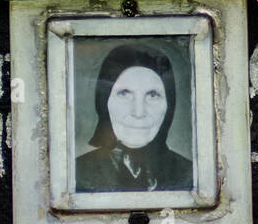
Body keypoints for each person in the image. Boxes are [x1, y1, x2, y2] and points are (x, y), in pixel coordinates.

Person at [75, 43, 194, 193]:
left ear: (169, 105)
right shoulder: (75, 174)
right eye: (124, 93)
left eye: (152, 95)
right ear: (104, 102)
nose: (139, 113)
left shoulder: (191, 175)